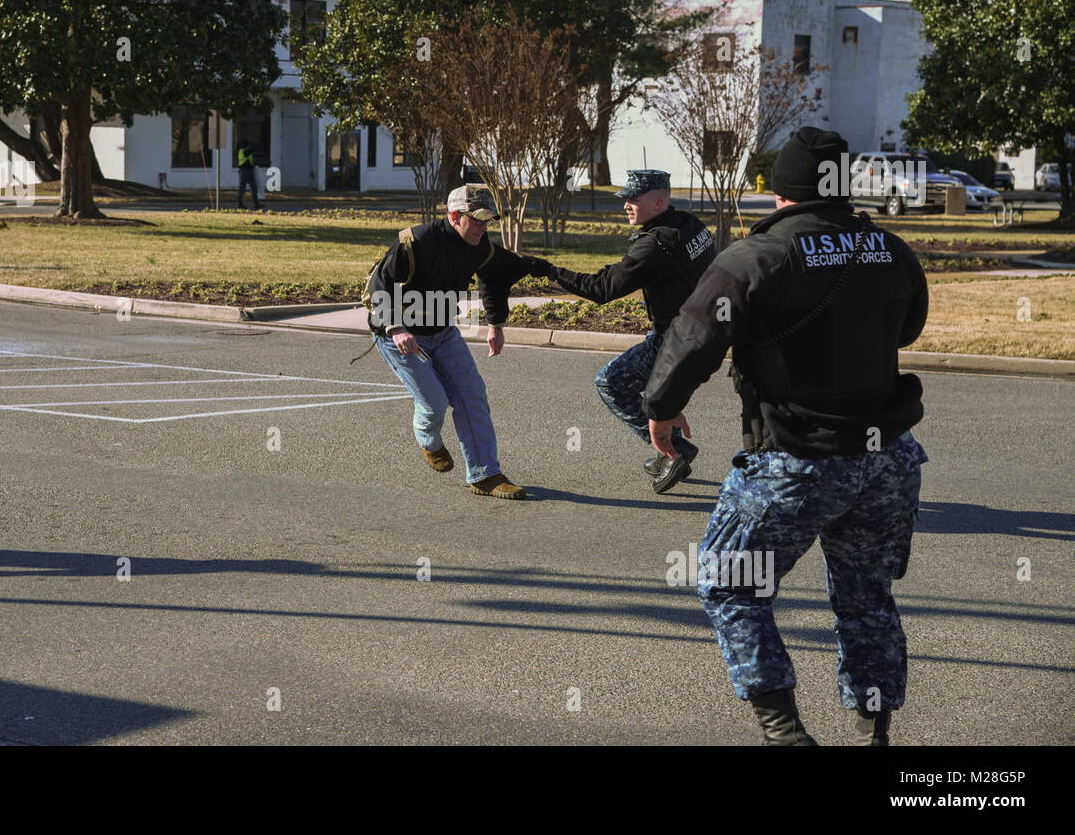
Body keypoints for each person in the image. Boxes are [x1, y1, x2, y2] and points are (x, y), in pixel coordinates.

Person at [642, 127, 929, 745]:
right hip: (888, 459)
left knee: (729, 582)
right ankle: (872, 731)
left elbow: (692, 339)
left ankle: (785, 731)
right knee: (866, 596)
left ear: (779, 190)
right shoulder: (891, 249)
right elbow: (908, 330)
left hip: (798, 456)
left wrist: (661, 409)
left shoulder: (755, 258)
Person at [522, 170, 716, 493]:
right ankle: (669, 441)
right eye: (625, 198)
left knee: (610, 382)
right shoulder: (691, 225)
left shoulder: (653, 246)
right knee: (650, 386)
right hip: (698, 328)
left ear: (657, 201)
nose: (626, 205)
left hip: (675, 339)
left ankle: (673, 450)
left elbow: (602, 288)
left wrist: (553, 272)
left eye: (633, 199)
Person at [363, 185, 532, 499]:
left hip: (442, 332)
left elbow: (492, 280)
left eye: (488, 221)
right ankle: (429, 441)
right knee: (435, 404)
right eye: (478, 220)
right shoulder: (416, 242)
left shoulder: (478, 245)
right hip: (399, 336)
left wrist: (496, 324)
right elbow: (378, 284)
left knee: (472, 395)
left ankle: (485, 476)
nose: (484, 228)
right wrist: (396, 326)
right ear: (455, 216)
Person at [237, 139, 260, 210]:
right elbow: (250, 151)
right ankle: (240, 204)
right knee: (242, 188)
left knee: (254, 188)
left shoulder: (245, 151)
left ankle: (256, 204)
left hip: (249, 171)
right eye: (248, 145)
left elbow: (251, 160)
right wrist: (253, 146)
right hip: (244, 171)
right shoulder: (243, 151)